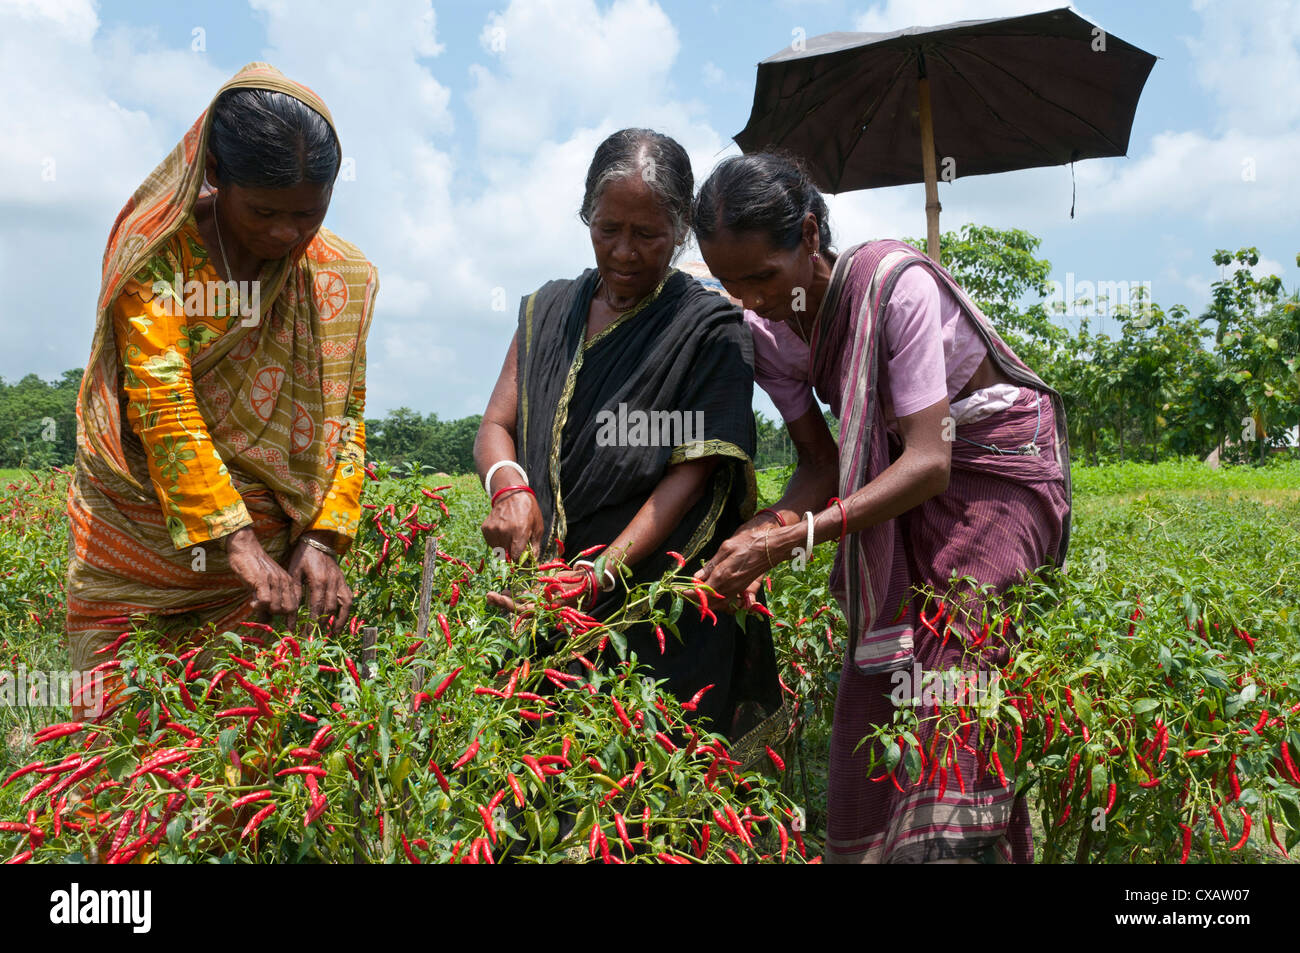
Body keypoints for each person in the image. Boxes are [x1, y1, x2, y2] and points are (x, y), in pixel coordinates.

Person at [691, 153, 1071, 863]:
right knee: (880, 684)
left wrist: (795, 538)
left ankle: (965, 847)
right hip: (907, 478)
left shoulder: (896, 287)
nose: (747, 299)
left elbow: (930, 460)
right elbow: (823, 463)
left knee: (953, 663)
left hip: (993, 472)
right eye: (728, 281)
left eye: (761, 277)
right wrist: (765, 527)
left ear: (808, 235)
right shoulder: (771, 336)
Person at [65, 63, 377, 719]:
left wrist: (322, 540)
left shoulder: (337, 277)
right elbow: (162, 400)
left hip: (265, 575)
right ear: (213, 175)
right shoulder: (162, 252)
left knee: (239, 753)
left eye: (307, 214)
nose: (286, 235)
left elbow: (346, 418)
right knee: (113, 759)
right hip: (141, 544)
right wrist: (235, 544)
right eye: (263, 211)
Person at [474, 129, 782, 742]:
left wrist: (603, 573)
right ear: (586, 214)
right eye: (607, 228)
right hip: (546, 594)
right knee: (535, 794)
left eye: (647, 236)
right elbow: (496, 425)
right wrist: (508, 486)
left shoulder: (708, 328)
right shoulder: (549, 310)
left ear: (682, 231)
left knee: (646, 796)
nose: (624, 251)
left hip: (654, 609)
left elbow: (690, 474)